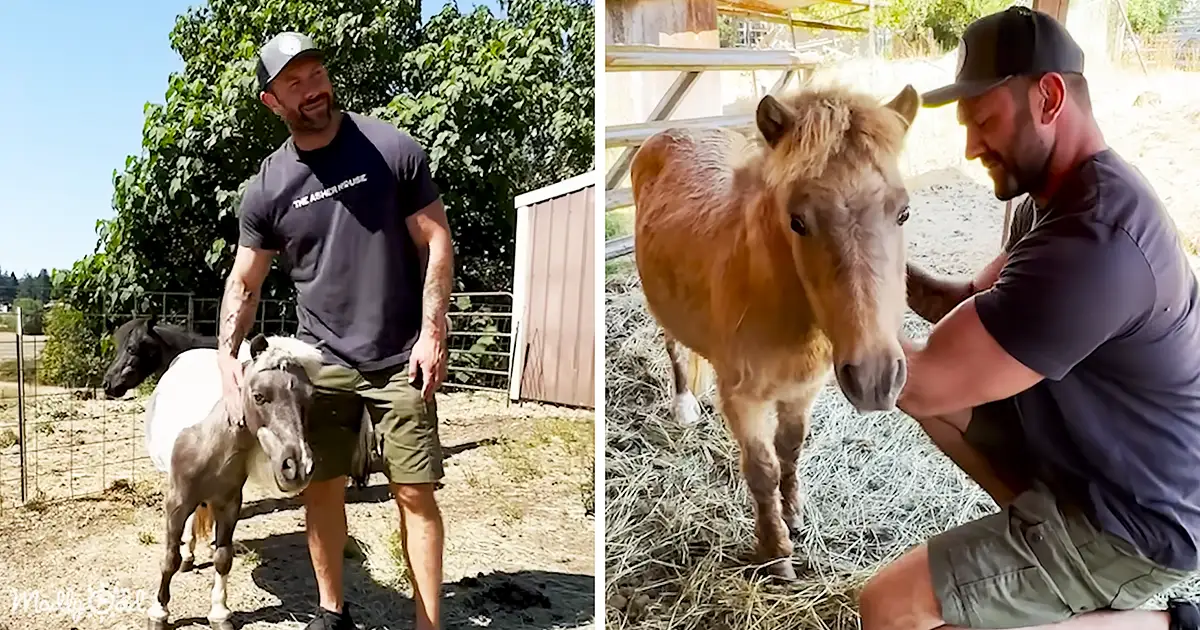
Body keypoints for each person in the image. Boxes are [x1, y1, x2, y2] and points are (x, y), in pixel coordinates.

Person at [856, 7, 1200, 630]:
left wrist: (831, 305)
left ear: (1048, 97)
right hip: (1099, 466)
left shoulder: (1094, 240)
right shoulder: (1051, 199)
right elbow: (958, 303)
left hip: (1137, 521)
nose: (969, 146)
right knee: (937, 406)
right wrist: (862, 261)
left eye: (983, 120)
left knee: (888, 607)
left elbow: (925, 376)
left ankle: (1151, 622)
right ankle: (1040, 572)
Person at [216, 31, 454, 630]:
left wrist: (432, 331)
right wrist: (227, 360)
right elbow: (245, 282)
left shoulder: (390, 148)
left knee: (415, 492)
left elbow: (436, 239)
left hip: (402, 355)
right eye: (293, 82)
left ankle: (428, 623)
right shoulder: (268, 188)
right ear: (273, 102)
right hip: (318, 362)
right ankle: (331, 612)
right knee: (320, 488)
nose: (311, 89)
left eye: (315, 73)